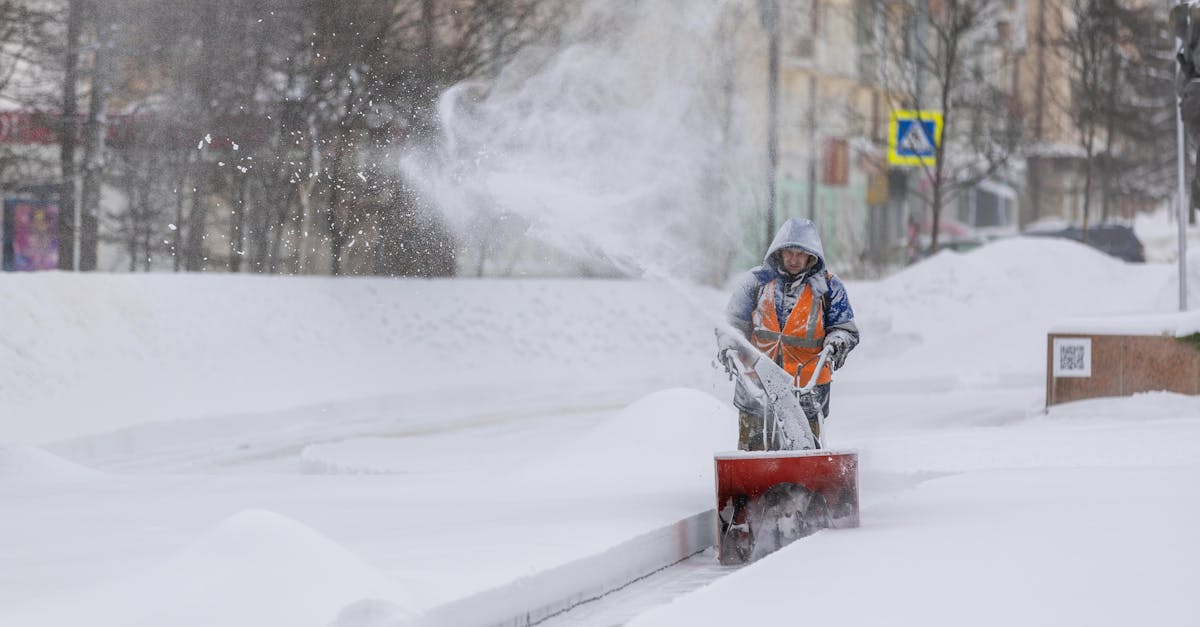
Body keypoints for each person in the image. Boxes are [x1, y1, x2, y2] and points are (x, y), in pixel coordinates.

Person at [719, 218, 859, 450]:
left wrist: (837, 342)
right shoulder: (755, 282)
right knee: (753, 448)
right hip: (757, 385)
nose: (794, 260)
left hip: (806, 389)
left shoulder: (828, 288)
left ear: (811, 256)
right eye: (789, 253)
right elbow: (731, 323)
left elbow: (844, 328)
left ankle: (804, 485)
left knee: (805, 449)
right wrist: (729, 345)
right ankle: (753, 483)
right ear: (779, 252)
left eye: (800, 254)